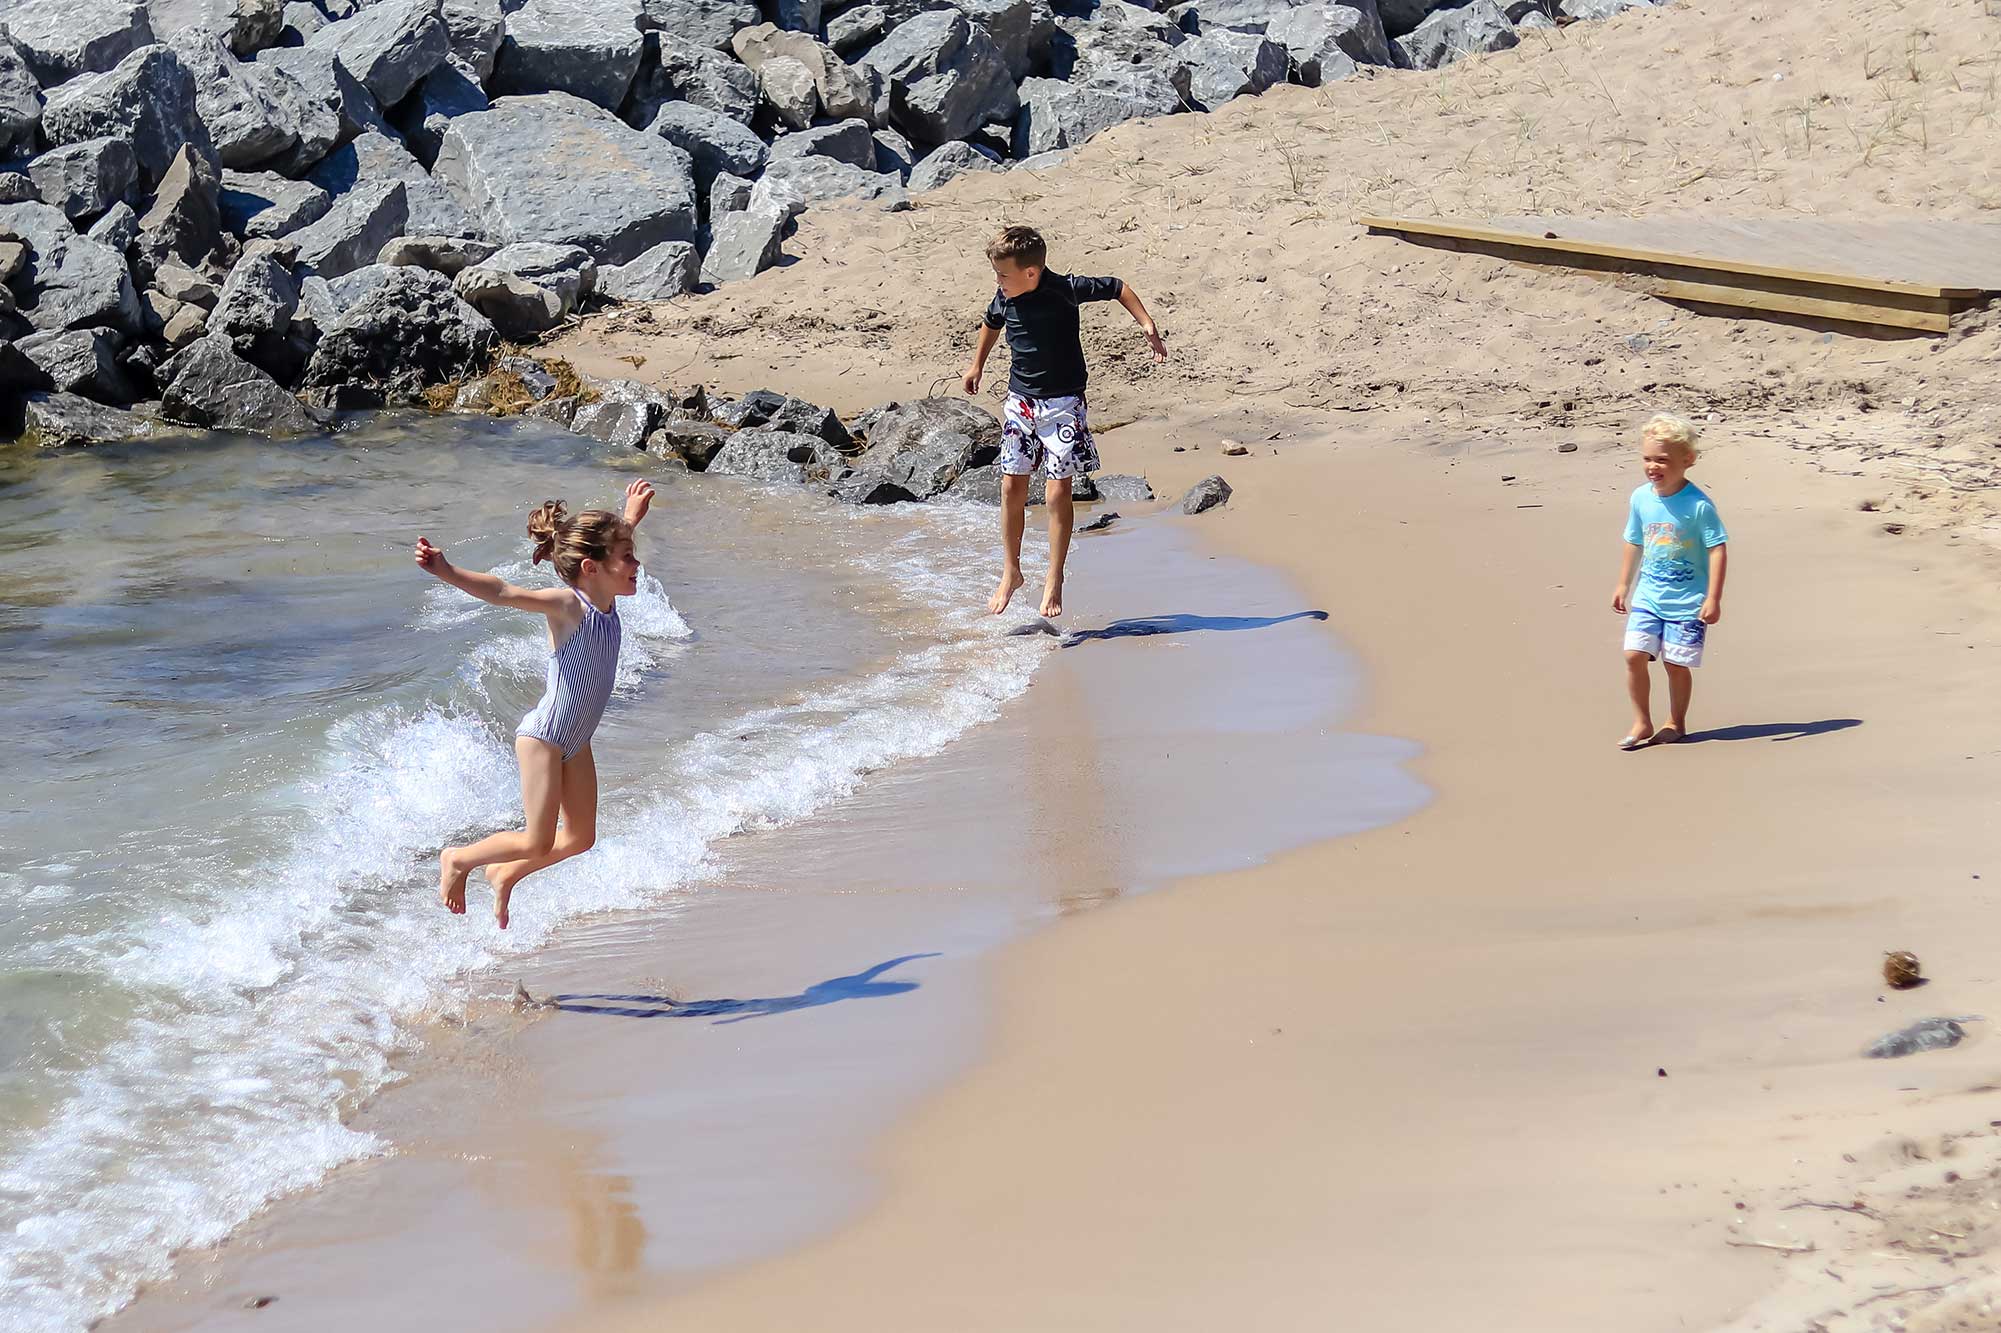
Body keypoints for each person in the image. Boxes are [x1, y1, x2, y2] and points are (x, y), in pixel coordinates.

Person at [415, 479, 654, 927]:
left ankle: (504, 876)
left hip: (576, 741)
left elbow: (611, 540)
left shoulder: (605, 598)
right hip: (544, 738)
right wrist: (446, 571)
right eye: (628, 558)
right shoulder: (570, 606)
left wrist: (630, 516)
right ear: (592, 567)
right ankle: (458, 859)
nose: (636, 563)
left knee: (581, 838)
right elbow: (504, 593)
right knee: (536, 840)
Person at [963, 225, 1167, 618]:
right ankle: (1012, 571)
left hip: (1063, 406)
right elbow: (991, 324)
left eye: (1003, 275)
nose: (998, 282)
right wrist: (976, 365)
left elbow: (1118, 286)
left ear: (1031, 273)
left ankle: (1054, 577)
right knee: (1010, 487)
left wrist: (1146, 324)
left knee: (1058, 494)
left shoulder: (1065, 289)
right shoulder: (1004, 296)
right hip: (1020, 402)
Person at [1611, 415, 1728, 750]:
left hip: (1688, 601)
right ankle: (1641, 720)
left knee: (1675, 664)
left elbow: (1717, 548)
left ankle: (1675, 722)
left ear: (1686, 460)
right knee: (1634, 655)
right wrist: (1623, 585)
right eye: (1647, 458)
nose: (1653, 466)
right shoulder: (1640, 498)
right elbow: (1633, 541)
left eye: (1662, 460)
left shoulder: (1698, 506)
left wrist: (1714, 597)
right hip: (1648, 596)